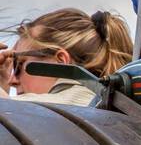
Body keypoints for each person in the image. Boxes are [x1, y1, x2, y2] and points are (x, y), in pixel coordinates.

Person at [0, 9, 133, 107]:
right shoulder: (111, 105)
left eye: (19, 66)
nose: (12, 81)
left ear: (61, 62)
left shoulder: (60, 108)